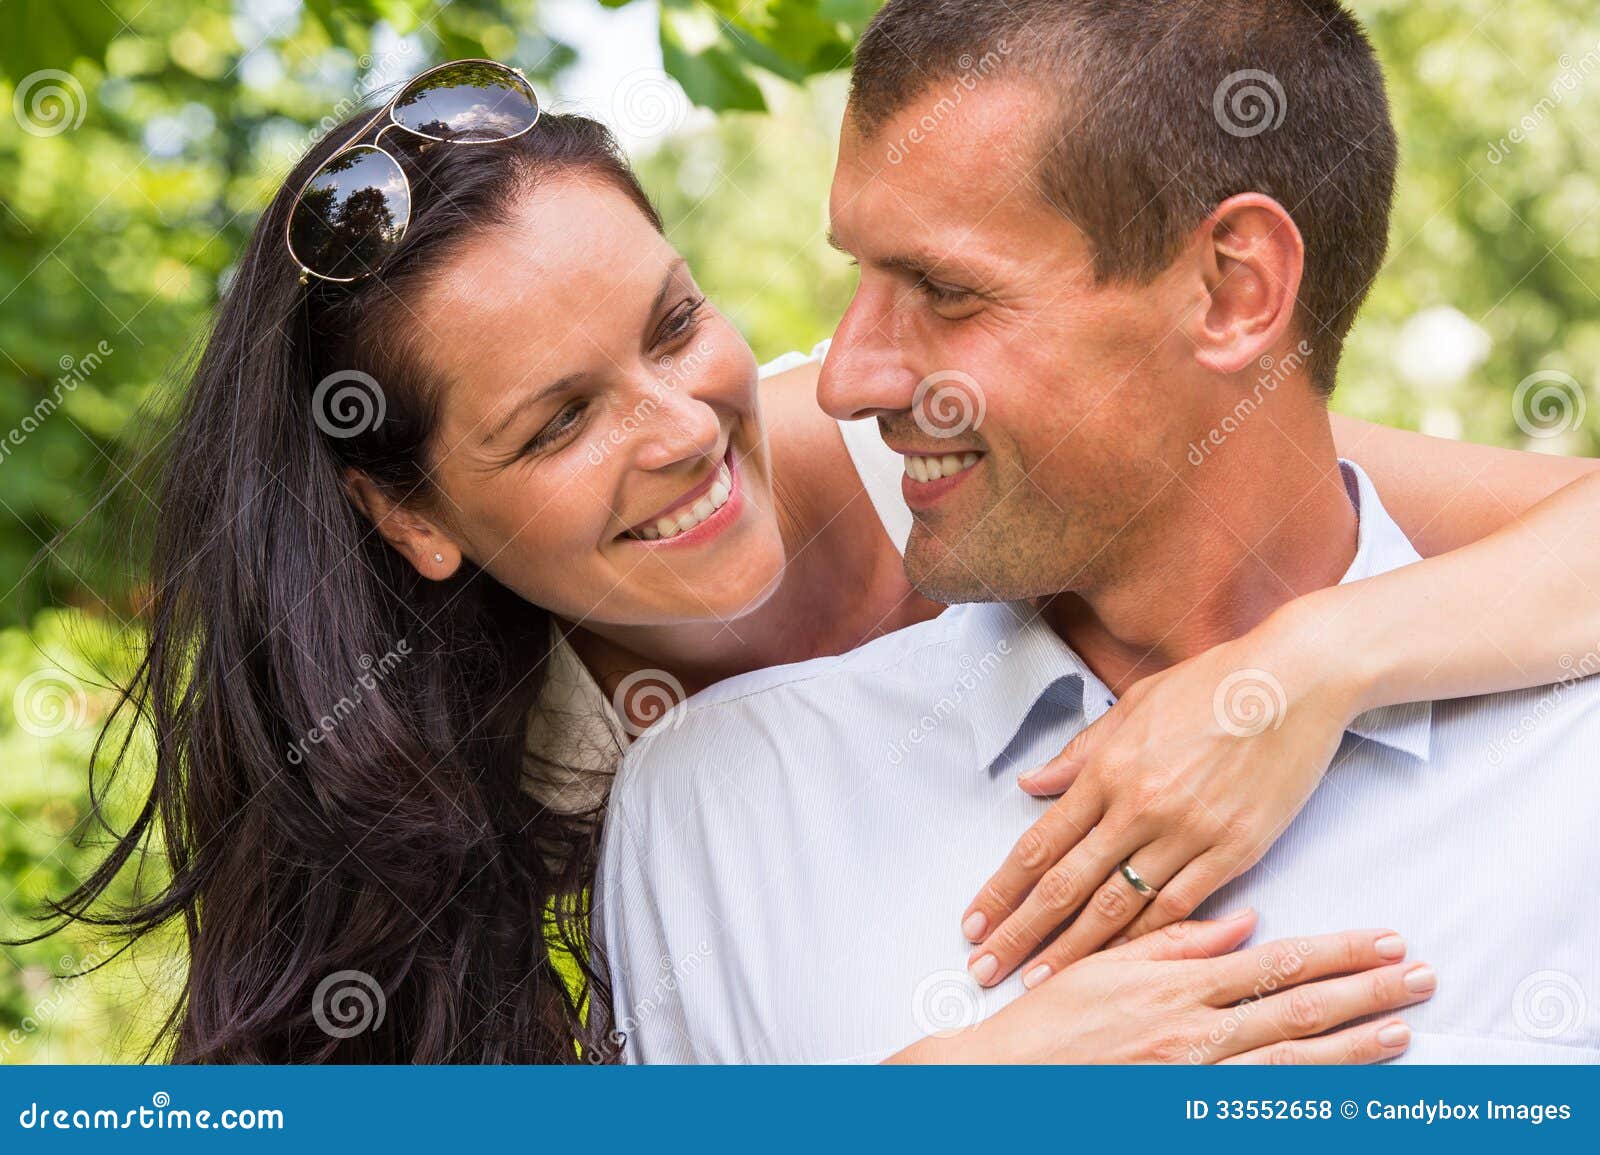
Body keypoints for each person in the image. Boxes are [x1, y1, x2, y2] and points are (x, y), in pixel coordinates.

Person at [35, 47, 1594, 1064]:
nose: (679, 429)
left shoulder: (912, 441)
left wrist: (1299, 663)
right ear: (416, 516)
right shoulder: (530, 777)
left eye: (672, 323)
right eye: (557, 420)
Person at [596, 0, 1600, 1064]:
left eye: (944, 290)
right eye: (861, 274)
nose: (842, 379)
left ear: (1232, 290)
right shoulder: (724, 809)